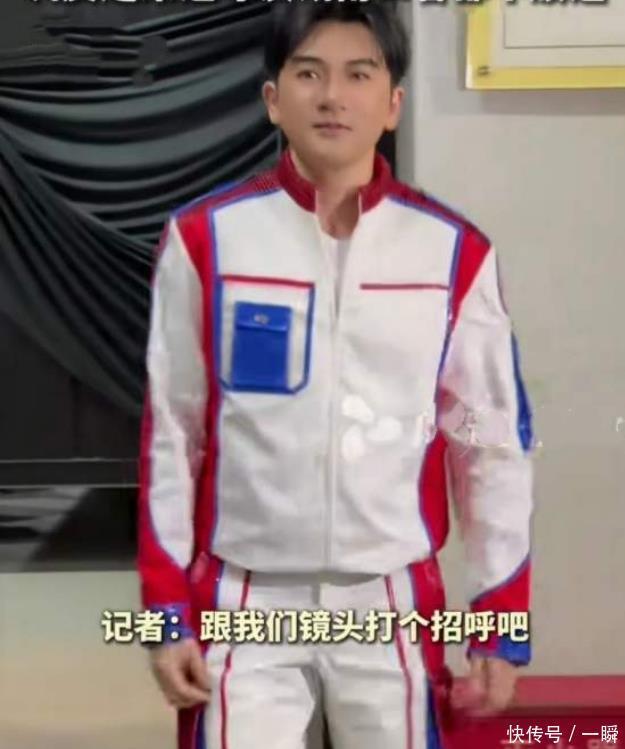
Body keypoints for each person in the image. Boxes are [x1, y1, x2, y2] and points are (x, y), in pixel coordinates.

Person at [137, 2, 535, 748]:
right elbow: (173, 434)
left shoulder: (452, 252)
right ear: (272, 98)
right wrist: (164, 614)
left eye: (358, 75)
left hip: (391, 597)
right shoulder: (206, 239)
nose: (332, 97)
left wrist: (499, 619)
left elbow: (489, 444)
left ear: (392, 104)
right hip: (244, 595)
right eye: (309, 74)